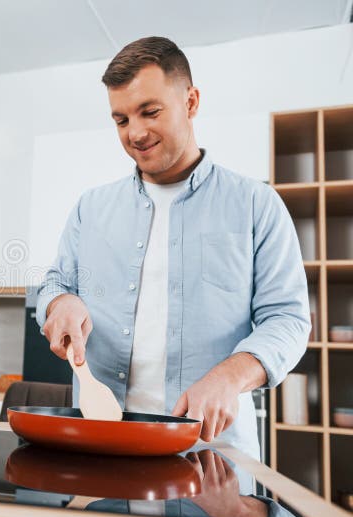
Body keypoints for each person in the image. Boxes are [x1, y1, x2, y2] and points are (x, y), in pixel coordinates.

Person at [37, 37, 310, 459]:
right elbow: (55, 283)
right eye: (121, 119)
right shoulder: (90, 208)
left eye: (150, 111)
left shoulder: (255, 203)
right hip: (99, 447)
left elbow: (288, 320)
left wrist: (230, 375)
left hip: (209, 454)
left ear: (191, 101)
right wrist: (61, 303)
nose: (136, 132)